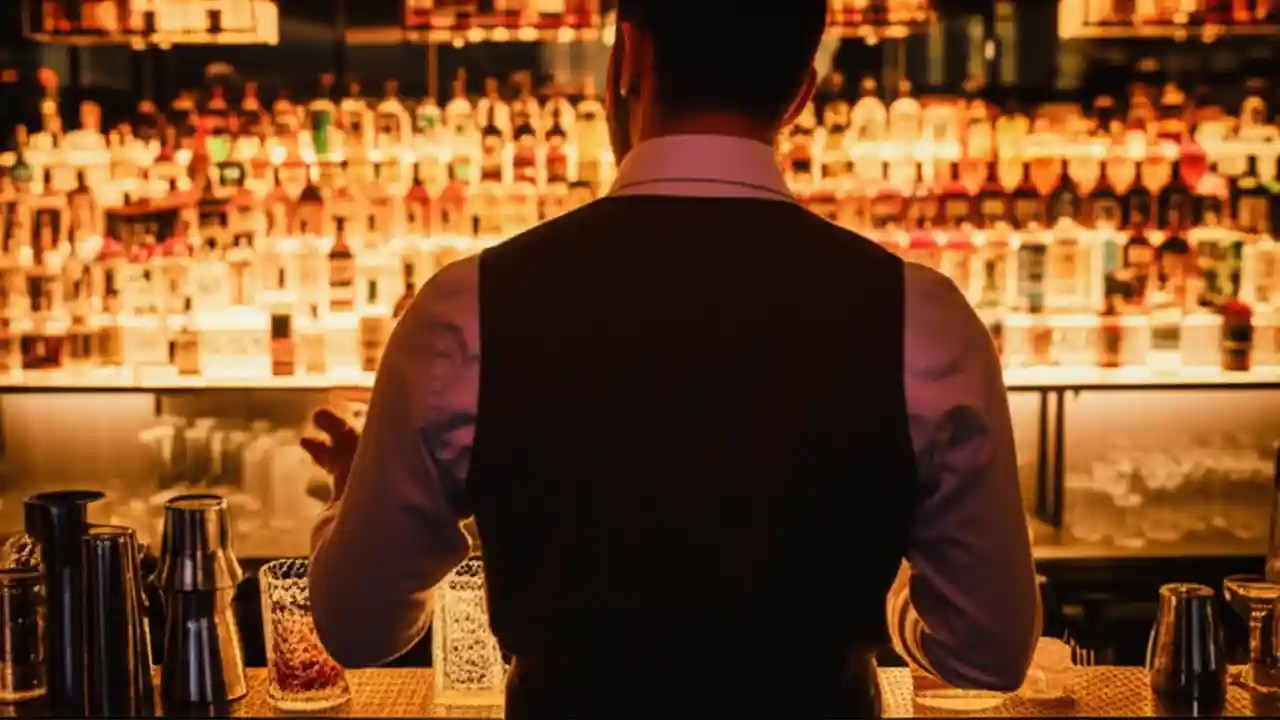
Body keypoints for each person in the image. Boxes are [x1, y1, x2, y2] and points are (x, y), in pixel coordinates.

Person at [304, 2, 1040, 717]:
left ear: (630, 57)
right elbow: (988, 651)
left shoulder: (464, 307)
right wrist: (885, 566)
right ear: (801, 93)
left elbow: (361, 628)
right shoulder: (925, 317)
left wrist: (354, 495)